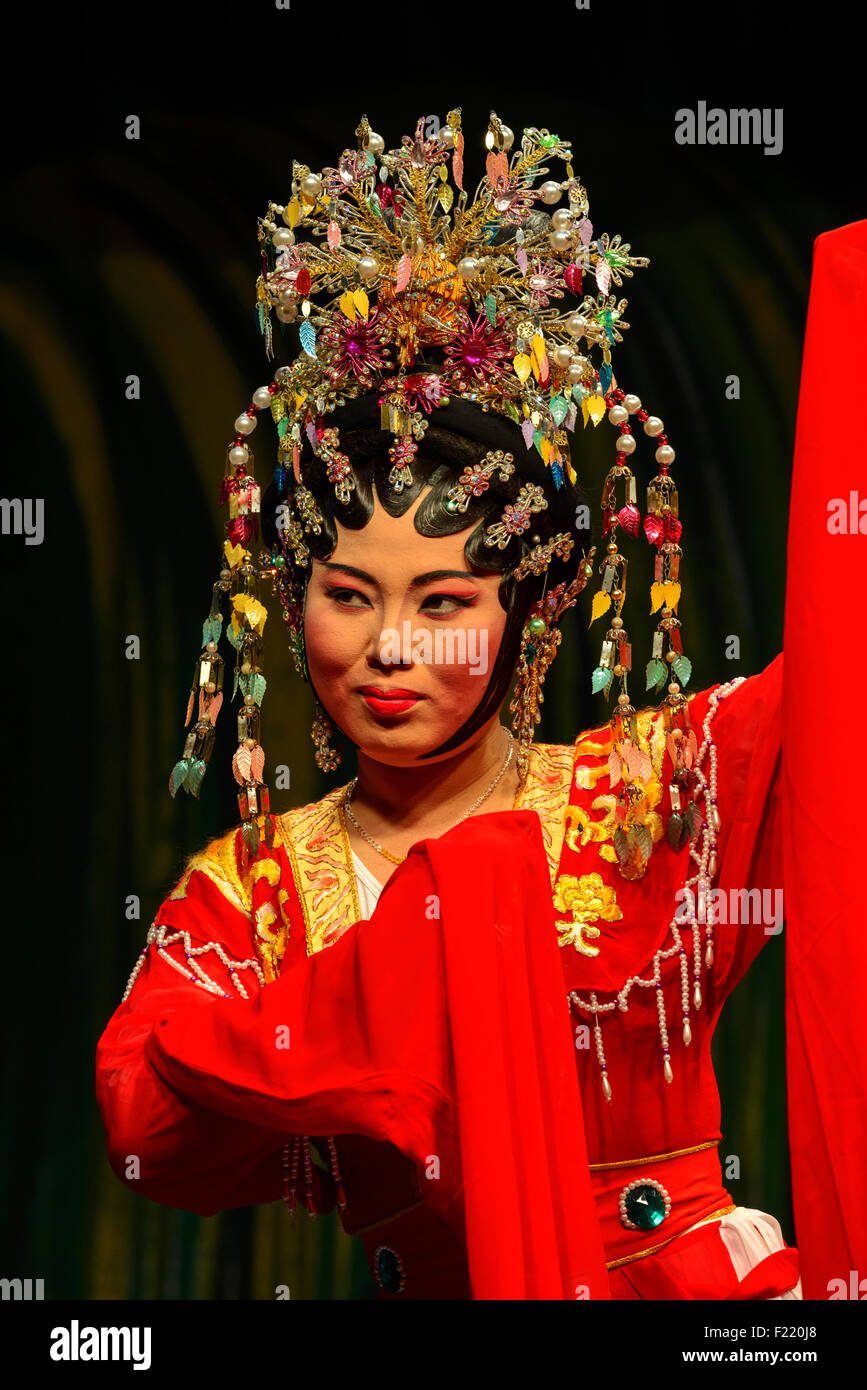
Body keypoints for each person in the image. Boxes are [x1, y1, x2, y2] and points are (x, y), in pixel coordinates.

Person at [95, 109, 867, 1300]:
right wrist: (419, 951)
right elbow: (147, 1122)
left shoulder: (651, 798)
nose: (388, 649)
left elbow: (843, 681)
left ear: (530, 612)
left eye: (443, 600)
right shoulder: (255, 896)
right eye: (348, 595)